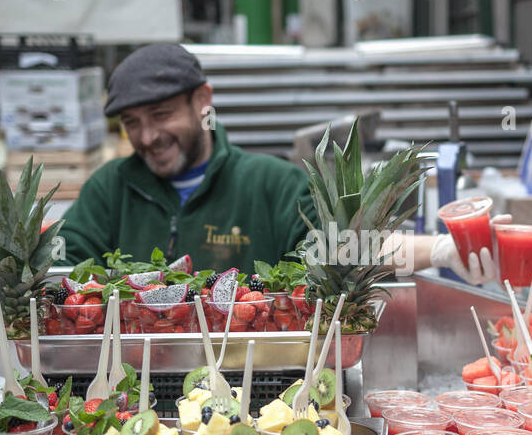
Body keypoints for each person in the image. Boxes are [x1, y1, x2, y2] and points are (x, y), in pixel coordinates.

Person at [59, 42, 500, 282]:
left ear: (203, 101)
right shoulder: (109, 189)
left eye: (161, 115)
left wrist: (440, 250)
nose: (148, 137)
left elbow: (343, 248)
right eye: (131, 123)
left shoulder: (272, 184)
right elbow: (61, 270)